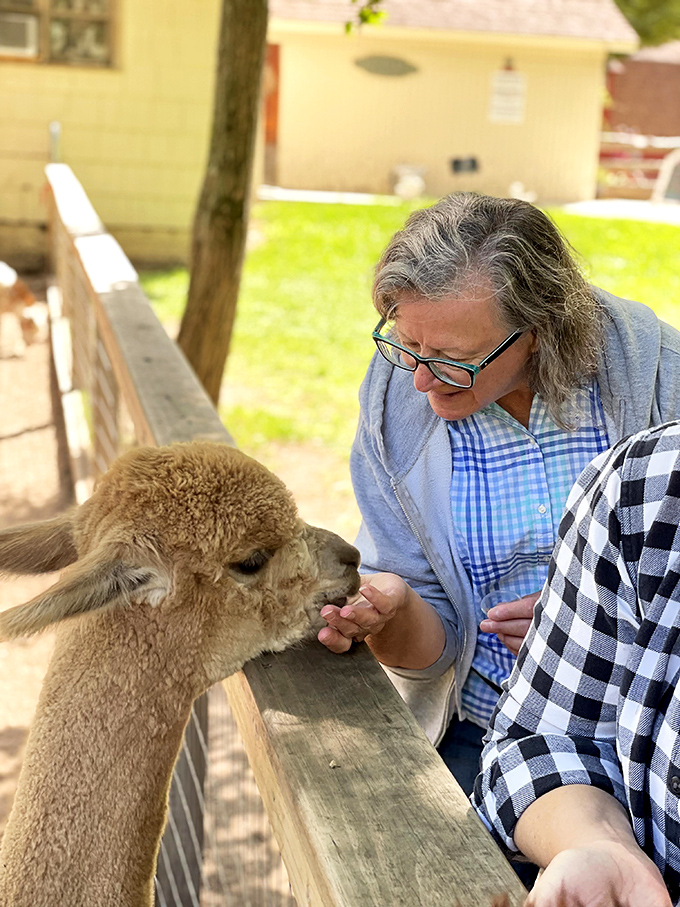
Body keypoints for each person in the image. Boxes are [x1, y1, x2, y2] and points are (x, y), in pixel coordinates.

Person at [316, 192, 680, 798]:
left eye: (453, 359)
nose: (421, 379)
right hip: (478, 734)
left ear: (537, 332)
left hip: (644, 750)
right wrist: (394, 610)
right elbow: (432, 657)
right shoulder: (395, 404)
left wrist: (588, 620)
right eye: (407, 344)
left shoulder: (662, 381)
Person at [472, 421, 680, 907]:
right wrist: (596, 842)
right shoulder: (645, 484)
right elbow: (545, 740)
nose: (422, 379)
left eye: (463, 361)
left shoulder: (653, 372)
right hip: (479, 696)